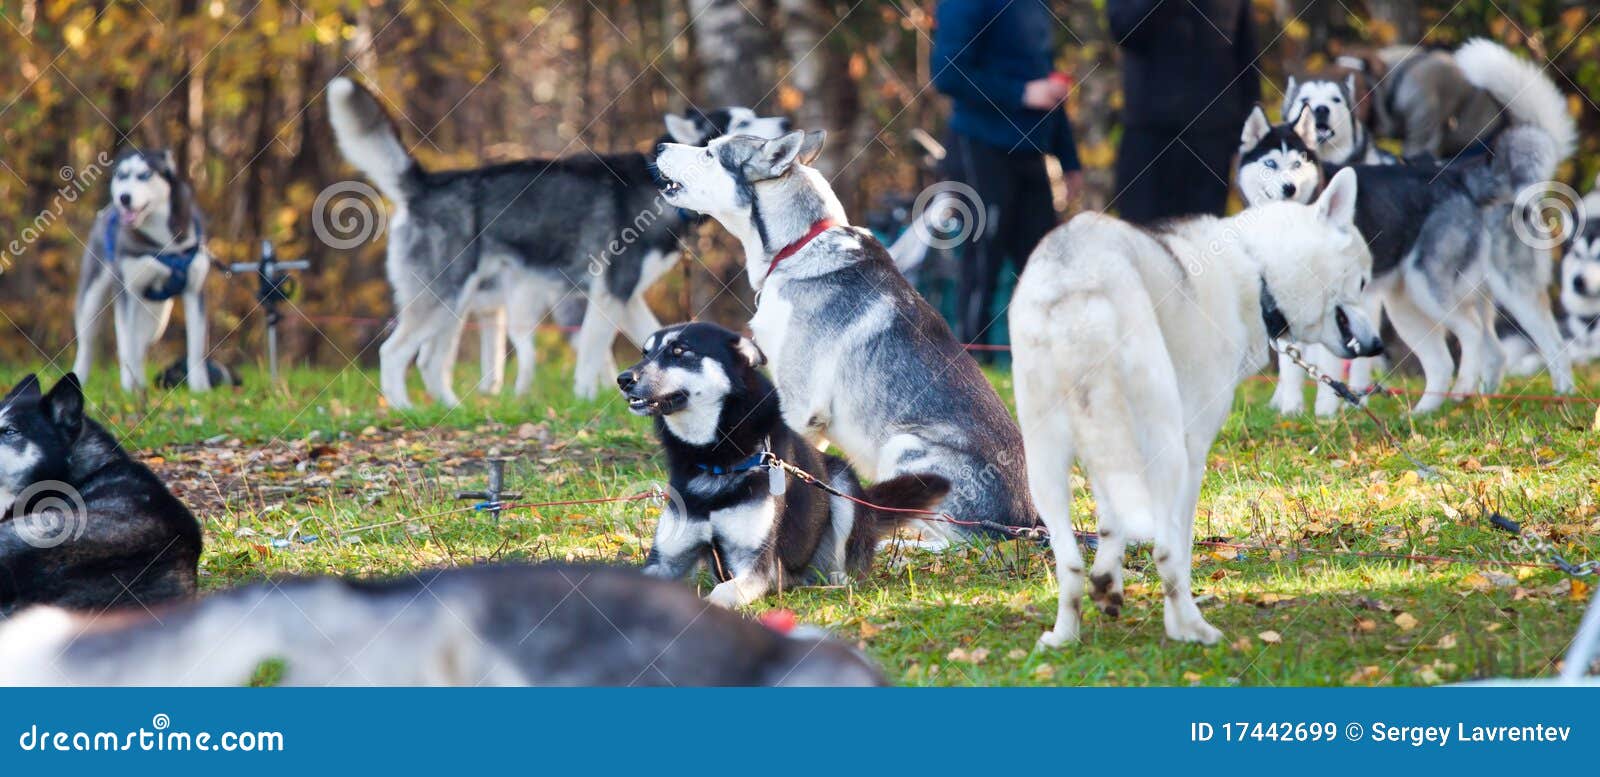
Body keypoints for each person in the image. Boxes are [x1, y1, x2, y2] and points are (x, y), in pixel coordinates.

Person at [932, 0, 1083, 354]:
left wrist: (1069, 158)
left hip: (1031, 153)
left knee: (1043, 262)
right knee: (983, 261)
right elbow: (947, 71)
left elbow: (1045, 75)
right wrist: (1021, 93)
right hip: (980, 146)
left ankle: (1046, 359)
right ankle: (972, 363)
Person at [1108, 0, 1259, 223]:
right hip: (1149, 141)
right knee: (1143, 238)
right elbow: (1125, 30)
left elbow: (1246, 59)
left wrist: (1248, 140)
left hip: (1211, 142)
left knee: (1202, 240)